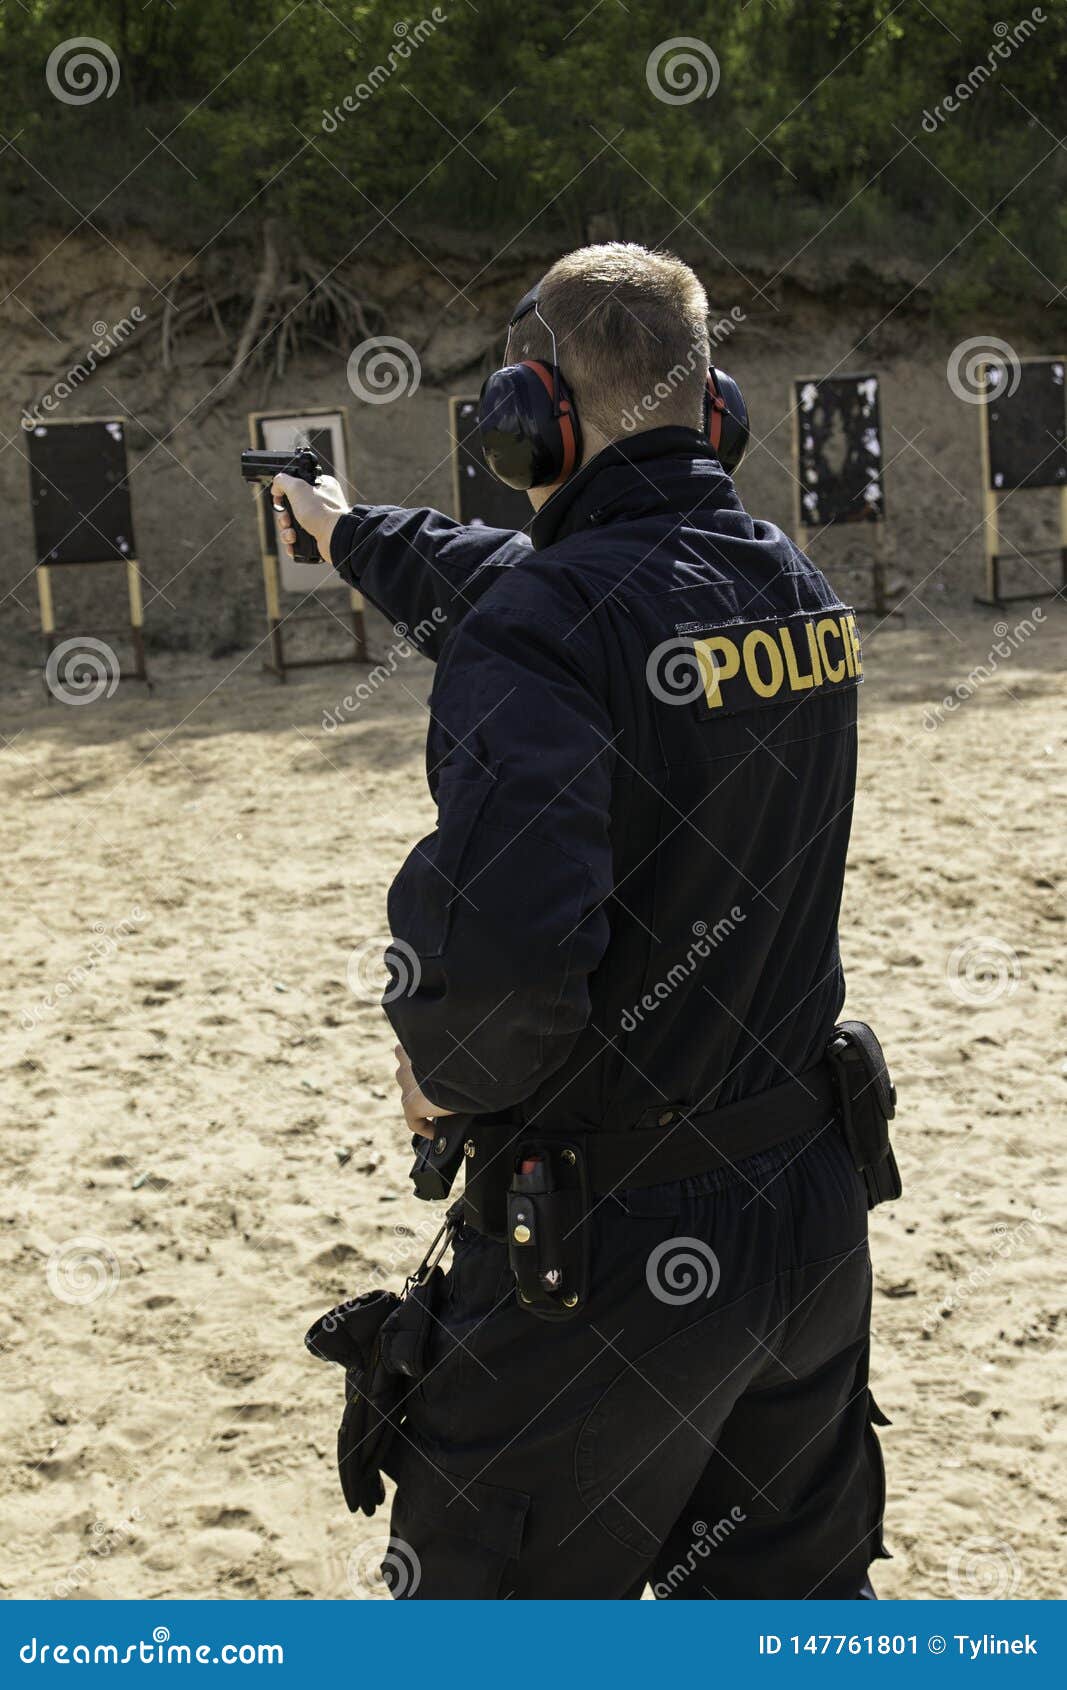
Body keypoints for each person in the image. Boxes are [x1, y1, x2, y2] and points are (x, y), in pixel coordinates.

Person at [276, 243, 892, 1600]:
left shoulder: (545, 626)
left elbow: (506, 965)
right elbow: (532, 585)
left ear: (528, 416)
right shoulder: (794, 589)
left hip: (600, 1261)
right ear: (710, 408)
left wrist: (440, 1069)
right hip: (805, 1226)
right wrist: (348, 529)